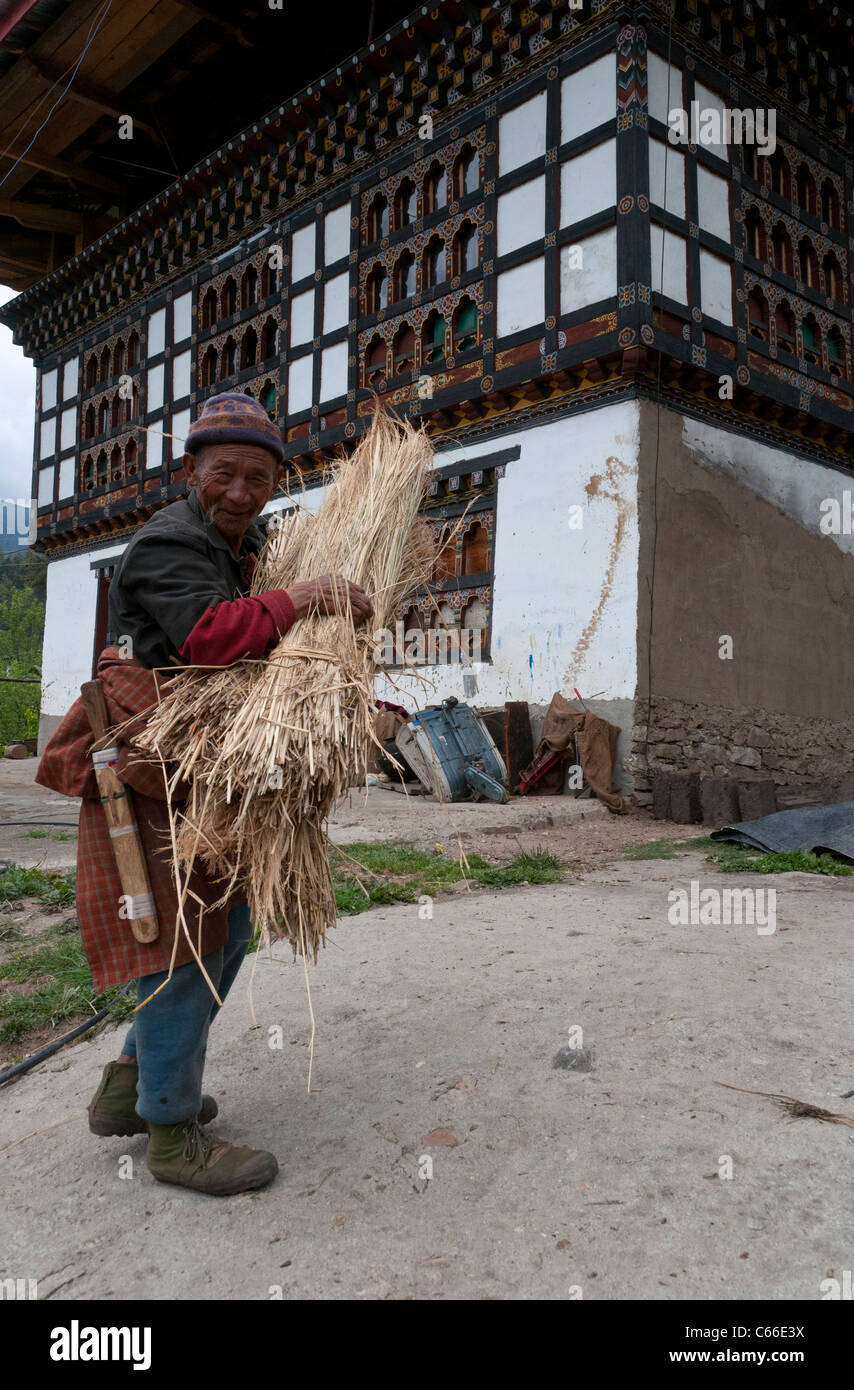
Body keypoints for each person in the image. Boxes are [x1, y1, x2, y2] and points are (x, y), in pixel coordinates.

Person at [36, 393, 372, 1196]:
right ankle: (172, 1135)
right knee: (182, 946)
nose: (240, 492)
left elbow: (268, 640)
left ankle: (130, 1086)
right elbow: (210, 640)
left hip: (205, 769)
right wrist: (306, 598)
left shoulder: (248, 543)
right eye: (223, 474)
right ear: (191, 471)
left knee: (231, 928)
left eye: (258, 479)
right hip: (149, 770)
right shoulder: (165, 545)